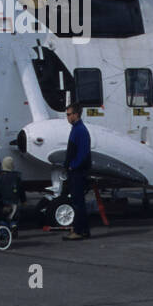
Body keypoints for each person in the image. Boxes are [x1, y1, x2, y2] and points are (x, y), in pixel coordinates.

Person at [62, 103, 92, 241]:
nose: (67, 117)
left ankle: (80, 231)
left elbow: (83, 153)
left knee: (78, 202)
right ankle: (82, 229)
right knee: (77, 201)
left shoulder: (80, 130)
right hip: (75, 171)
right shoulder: (76, 129)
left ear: (76, 114)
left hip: (78, 172)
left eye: (68, 114)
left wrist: (72, 166)